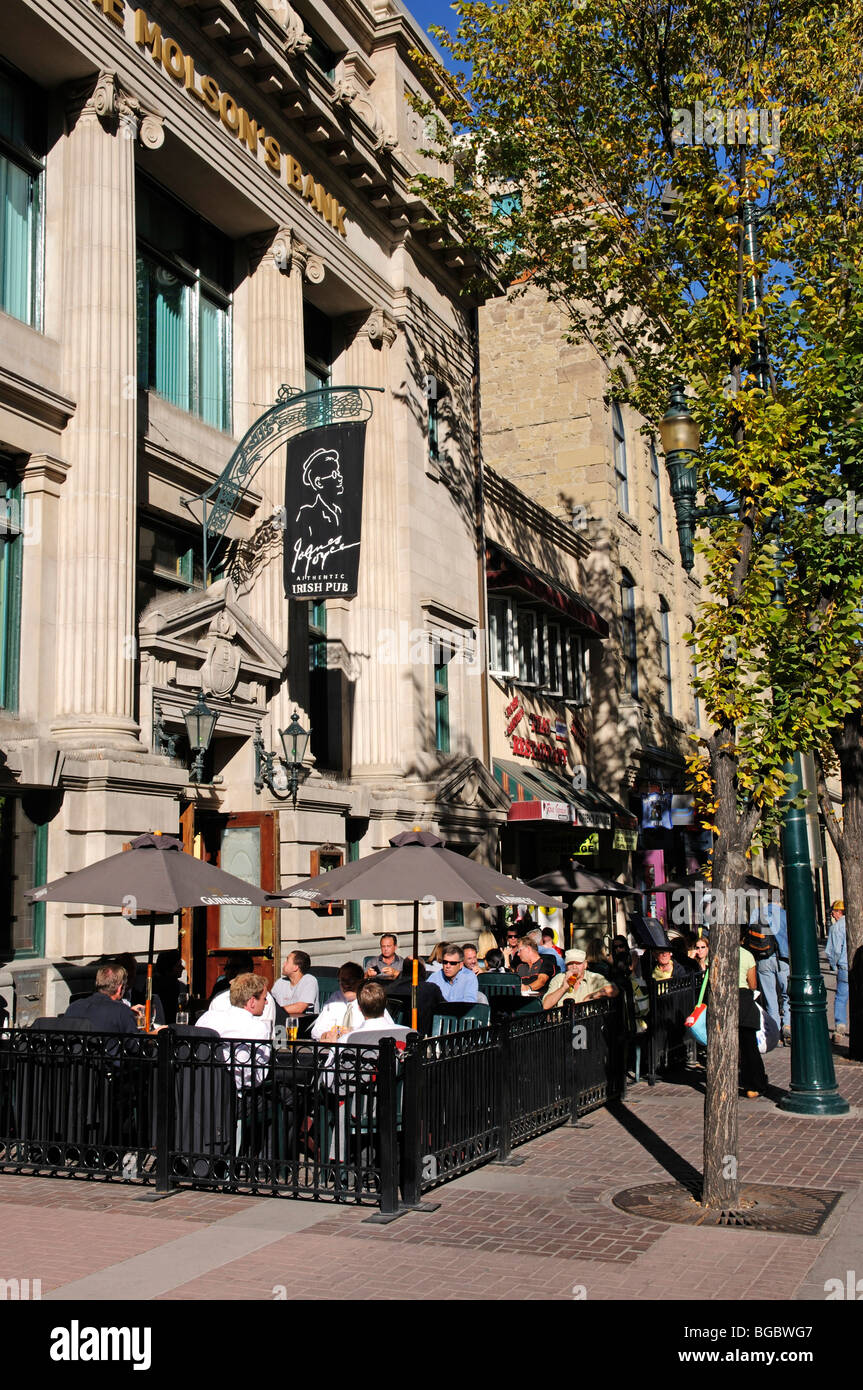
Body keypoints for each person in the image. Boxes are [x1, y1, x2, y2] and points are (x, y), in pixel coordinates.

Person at [196, 974, 272, 1089]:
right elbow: (253, 1077)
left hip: (202, 1089)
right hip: (236, 1095)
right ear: (252, 1002)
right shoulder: (257, 1027)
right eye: (264, 998)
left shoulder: (207, 1017)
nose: (266, 1003)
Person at [746, 902, 790, 1041]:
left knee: (770, 997)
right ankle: (787, 1025)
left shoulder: (756, 913)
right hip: (783, 958)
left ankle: (775, 1031)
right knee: (787, 994)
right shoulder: (784, 914)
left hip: (763, 958)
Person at [64, 963, 140, 1033]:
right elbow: (135, 1044)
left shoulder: (73, 1007)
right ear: (120, 988)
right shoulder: (121, 1011)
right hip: (107, 1047)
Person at [738, 933, 768, 1098]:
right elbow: (753, 984)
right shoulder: (747, 955)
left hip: (723, 1000)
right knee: (749, 1046)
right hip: (743, 999)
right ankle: (755, 1084)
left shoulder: (715, 952)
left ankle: (747, 1081)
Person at [382, 958, 443, 1035]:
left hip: (394, 1035)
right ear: (422, 971)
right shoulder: (430, 989)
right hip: (424, 1037)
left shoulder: (388, 988)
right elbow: (445, 1009)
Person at [542, 949, 618, 1009]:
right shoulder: (559, 979)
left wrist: (591, 996)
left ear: (585, 965)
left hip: (588, 1023)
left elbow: (613, 990)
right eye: (570, 963)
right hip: (563, 1024)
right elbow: (545, 1005)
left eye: (578, 963)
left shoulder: (593, 977)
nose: (574, 967)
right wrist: (563, 988)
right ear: (565, 966)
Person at [333, 981, 406, 1042]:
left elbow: (333, 1058)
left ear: (359, 1008)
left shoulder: (346, 1039)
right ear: (385, 1004)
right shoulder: (407, 1033)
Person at [311, 963, 370, 1039]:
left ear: (361, 982)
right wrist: (326, 1035)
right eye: (343, 981)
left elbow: (385, 1029)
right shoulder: (335, 999)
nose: (347, 985)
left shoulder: (369, 999)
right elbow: (316, 1031)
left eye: (351, 981)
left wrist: (353, 1033)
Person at [271, 950, 319, 1015]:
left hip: (304, 1023)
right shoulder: (280, 982)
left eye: (287, 961)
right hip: (281, 1022)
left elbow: (300, 1008)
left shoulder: (309, 980)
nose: (284, 964)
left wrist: (274, 1011)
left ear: (295, 967)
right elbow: (271, 1004)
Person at [826, 900, 848, 1040]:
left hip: (844, 967)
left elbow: (833, 952)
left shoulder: (836, 928)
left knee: (841, 997)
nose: (832, 914)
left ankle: (840, 1026)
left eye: (833, 911)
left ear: (839, 912)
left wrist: (834, 966)